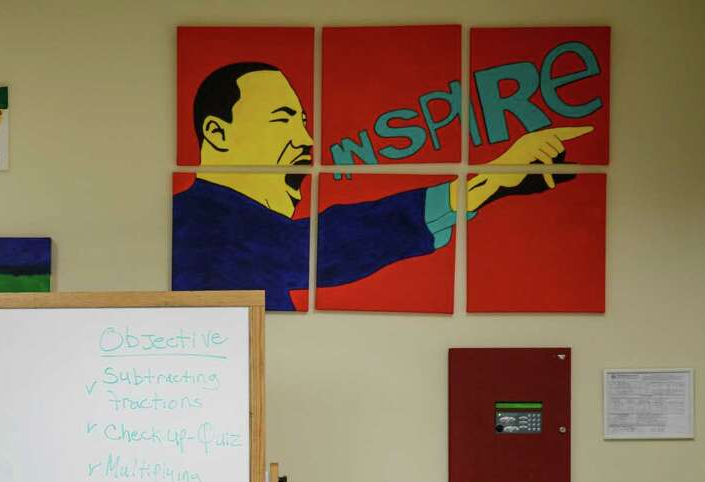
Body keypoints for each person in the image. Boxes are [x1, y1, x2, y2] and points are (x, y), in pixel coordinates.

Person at [172, 62, 591, 310]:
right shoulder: (196, 227)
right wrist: (485, 184)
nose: (307, 141)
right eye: (283, 119)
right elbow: (319, 247)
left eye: (302, 122)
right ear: (218, 133)